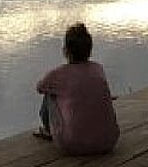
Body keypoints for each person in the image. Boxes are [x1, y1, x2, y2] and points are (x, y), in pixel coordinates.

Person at [34, 23, 119, 155]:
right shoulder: (98, 69)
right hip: (108, 141)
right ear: (89, 49)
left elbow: (39, 87)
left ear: (66, 50)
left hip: (73, 144)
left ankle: (49, 130)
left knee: (49, 93)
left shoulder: (58, 74)